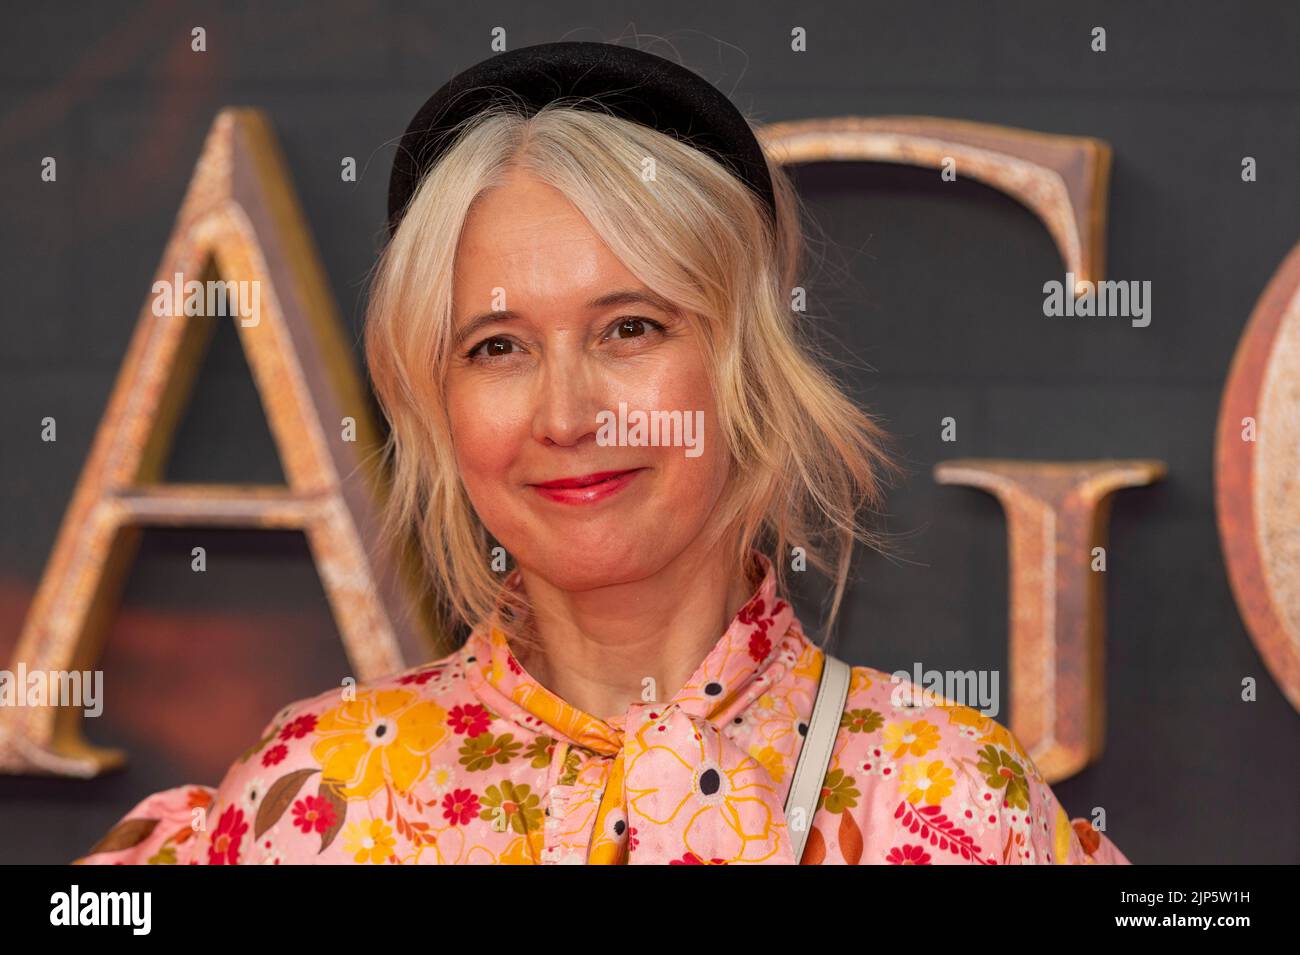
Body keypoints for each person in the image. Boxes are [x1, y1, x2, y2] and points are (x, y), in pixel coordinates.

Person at [75, 41, 1129, 865]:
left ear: (744, 366)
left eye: (630, 328)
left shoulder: (953, 794)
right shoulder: (308, 795)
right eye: (497, 347)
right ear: (436, 407)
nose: (567, 413)